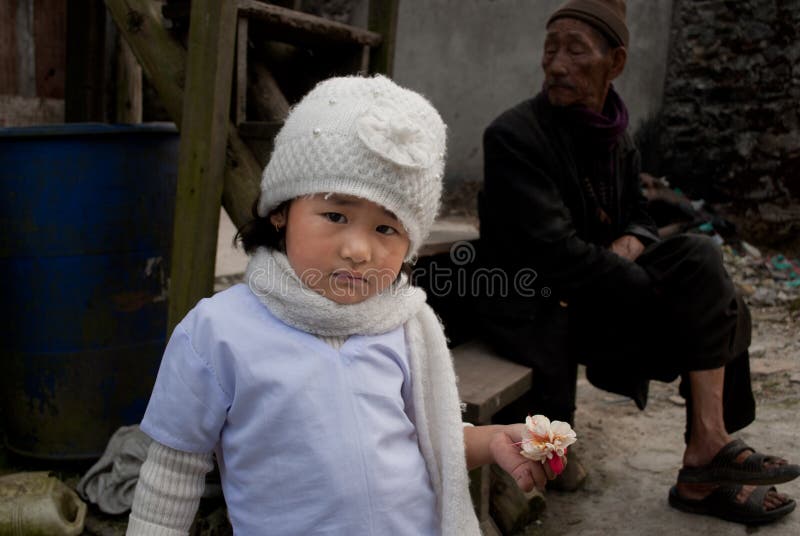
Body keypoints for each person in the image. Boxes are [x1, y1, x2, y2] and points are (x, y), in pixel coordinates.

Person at [126, 75, 553, 536]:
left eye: (386, 229)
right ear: (280, 210)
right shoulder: (218, 332)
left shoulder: (404, 327)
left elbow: (429, 446)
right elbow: (173, 471)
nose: (358, 250)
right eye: (336, 215)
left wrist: (491, 442)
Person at [477, 0, 799, 525]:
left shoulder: (616, 138)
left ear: (616, 62)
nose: (556, 64)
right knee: (703, 289)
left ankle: (706, 454)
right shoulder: (514, 137)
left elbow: (642, 218)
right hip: (536, 311)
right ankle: (709, 460)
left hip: (597, 295)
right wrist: (652, 284)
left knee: (716, 286)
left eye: (575, 50)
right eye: (550, 48)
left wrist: (629, 243)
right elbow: (557, 256)